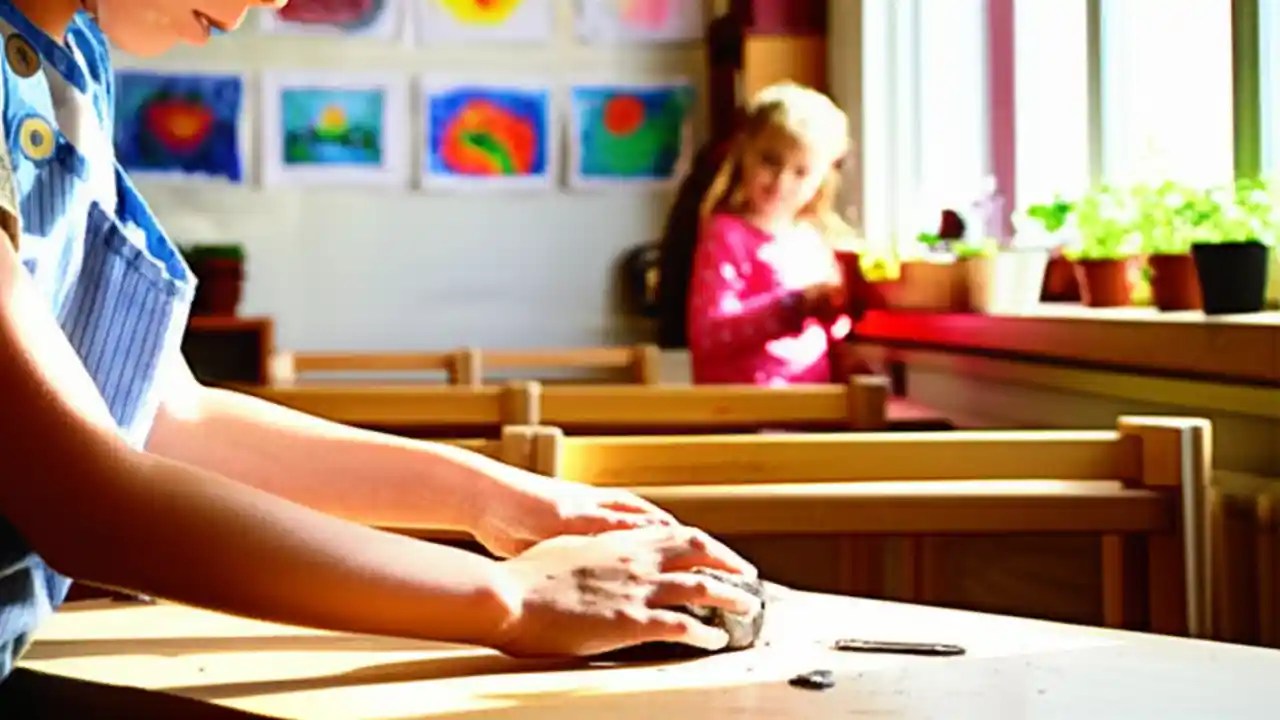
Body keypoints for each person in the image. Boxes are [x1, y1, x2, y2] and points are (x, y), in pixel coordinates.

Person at [0, 0, 760, 686]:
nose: (272, 3)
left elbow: (165, 419)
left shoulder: (76, 61)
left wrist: (493, 497)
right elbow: (82, 500)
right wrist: (513, 599)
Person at [686, 82, 862, 385]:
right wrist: (791, 308)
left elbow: (827, 335)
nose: (781, 181)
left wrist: (835, 313)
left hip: (811, 407)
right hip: (741, 411)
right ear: (745, 153)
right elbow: (708, 334)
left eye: (800, 172)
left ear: (822, 178)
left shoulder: (813, 241)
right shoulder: (726, 236)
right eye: (770, 160)